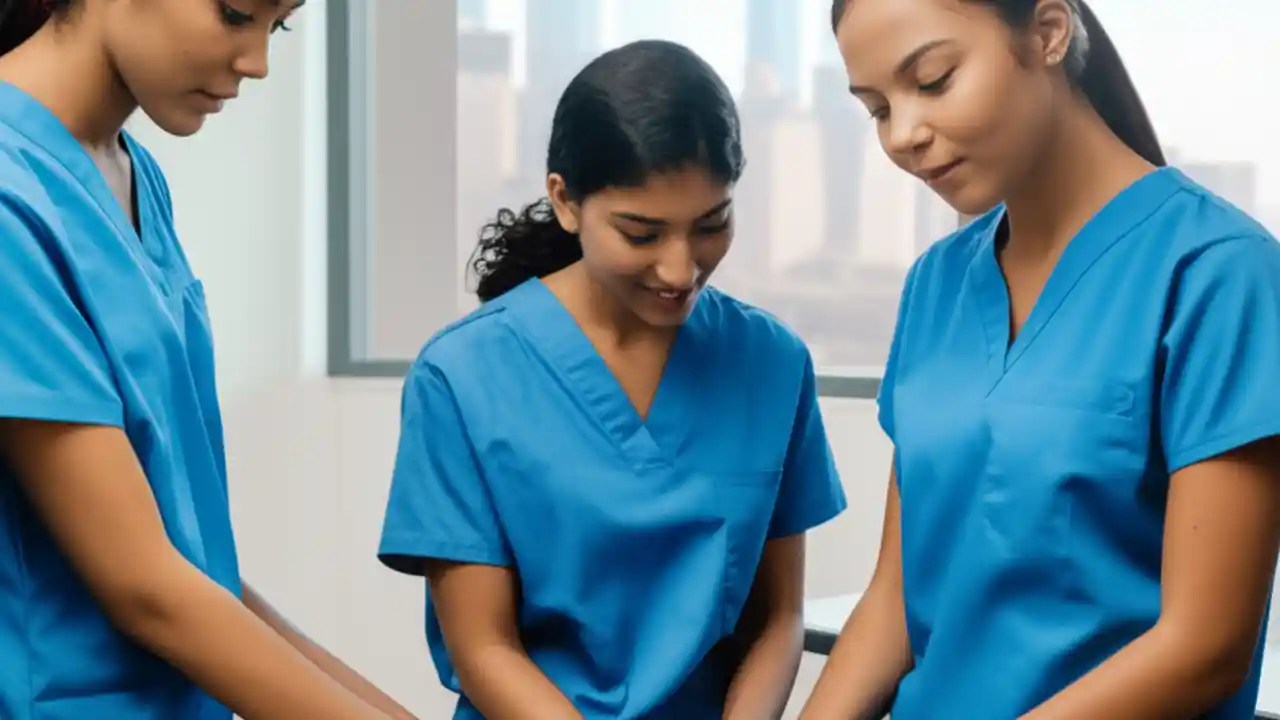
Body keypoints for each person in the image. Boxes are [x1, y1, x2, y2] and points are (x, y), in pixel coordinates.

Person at [801, 0, 1280, 718]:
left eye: (932, 80)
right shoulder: (937, 283)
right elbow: (897, 597)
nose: (903, 135)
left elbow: (1204, 648)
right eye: (876, 108)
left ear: (1049, 33)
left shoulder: (1219, 274)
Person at [377, 39, 848, 720]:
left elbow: (778, 620)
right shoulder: (462, 376)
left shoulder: (771, 362)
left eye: (711, 225)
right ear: (566, 202)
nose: (681, 269)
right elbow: (484, 649)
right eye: (642, 233)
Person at [0, 1, 415, 719]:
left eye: (276, 26)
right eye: (234, 14)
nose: (257, 62)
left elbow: (195, 569)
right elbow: (147, 591)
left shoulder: (131, 175)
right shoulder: (11, 199)